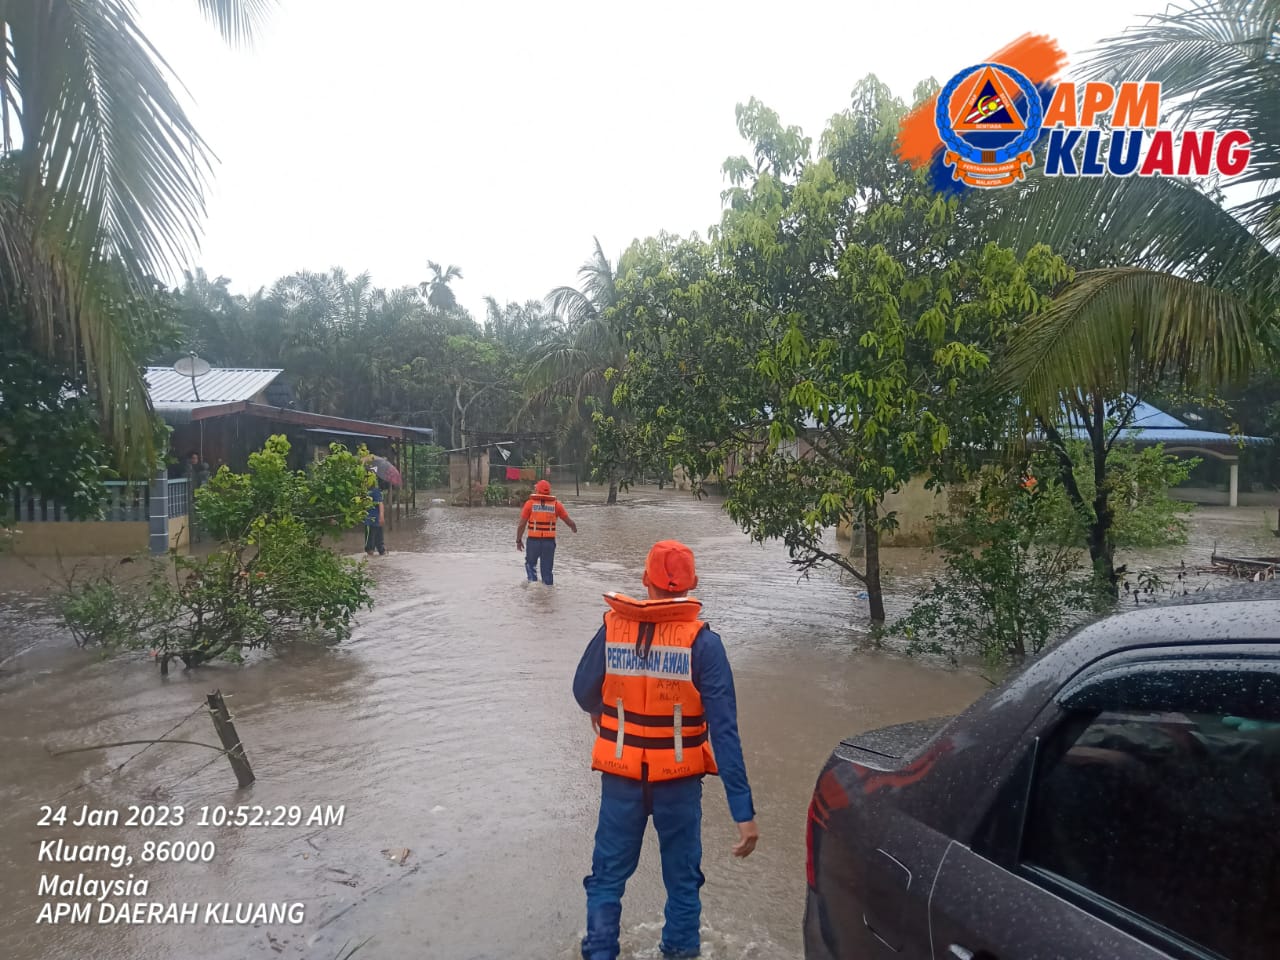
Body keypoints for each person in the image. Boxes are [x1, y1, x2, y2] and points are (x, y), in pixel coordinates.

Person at [573, 540, 758, 960]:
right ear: (691, 585)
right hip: (679, 783)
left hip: (621, 780)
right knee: (682, 881)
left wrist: (602, 711)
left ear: (645, 580)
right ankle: (678, 952)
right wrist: (742, 812)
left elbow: (582, 691)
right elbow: (725, 733)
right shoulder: (704, 645)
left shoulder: (613, 629)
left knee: (606, 880)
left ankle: (599, 952)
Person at [516, 479, 577, 585]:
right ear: (549, 491)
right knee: (547, 570)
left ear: (537, 490)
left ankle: (533, 585)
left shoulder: (530, 504)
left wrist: (518, 540)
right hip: (549, 543)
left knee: (530, 565)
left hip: (533, 542)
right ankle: (548, 593)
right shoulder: (556, 505)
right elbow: (569, 521)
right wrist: (574, 528)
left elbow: (521, 524)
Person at [364, 478, 386, 557]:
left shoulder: (373, 491)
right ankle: (381, 555)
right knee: (379, 542)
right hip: (376, 521)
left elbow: (380, 504)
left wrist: (381, 516)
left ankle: (370, 563)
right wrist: (381, 516)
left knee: (369, 544)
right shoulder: (376, 491)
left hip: (371, 521)